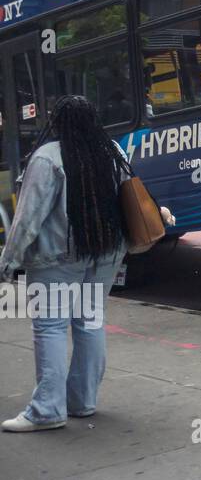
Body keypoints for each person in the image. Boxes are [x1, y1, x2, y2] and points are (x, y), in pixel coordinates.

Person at [0, 96, 130, 432]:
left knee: (51, 328)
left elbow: (28, 218)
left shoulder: (47, 158)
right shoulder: (113, 151)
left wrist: (8, 261)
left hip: (57, 258)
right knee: (90, 323)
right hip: (104, 253)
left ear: (56, 123)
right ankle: (82, 401)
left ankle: (47, 410)